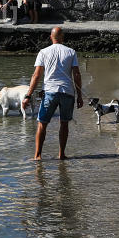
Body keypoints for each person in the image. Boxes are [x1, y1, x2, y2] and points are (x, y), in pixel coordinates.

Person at [25, 26, 83, 161]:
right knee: (64, 124)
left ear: (51, 37)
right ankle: (61, 154)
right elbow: (77, 74)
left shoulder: (43, 52)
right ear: (62, 37)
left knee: (42, 124)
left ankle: (37, 155)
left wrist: (28, 95)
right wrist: (79, 95)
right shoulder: (71, 52)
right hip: (67, 92)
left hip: (50, 92)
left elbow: (36, 75)